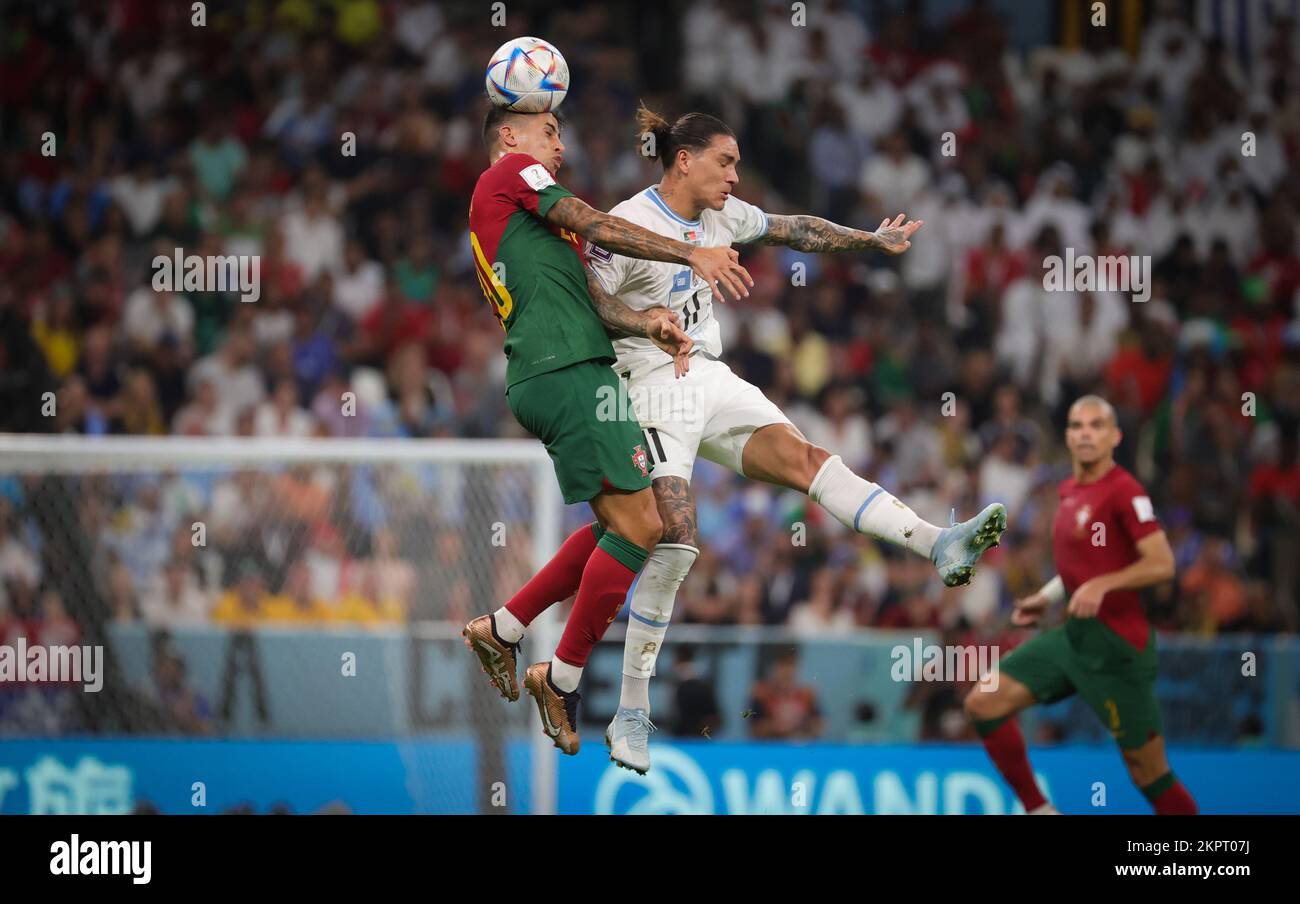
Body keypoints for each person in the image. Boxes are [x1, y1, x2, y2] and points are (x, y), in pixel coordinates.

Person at [589, 105, 1006, 773]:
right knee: (676, 537)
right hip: (649, 380)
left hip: (709, 373)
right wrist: (645, 321)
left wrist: (868, 241)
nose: (735, 174)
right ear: (685, 159)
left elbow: (796, 230)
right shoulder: (626, 224)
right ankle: (631, 709)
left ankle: (938, 542)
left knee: (807, 459)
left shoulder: (722, 215)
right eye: (725, 162)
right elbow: (590, 303)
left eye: (738, 164)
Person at [461, 105, 753, 756]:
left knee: (627, 523)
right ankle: (560, 676)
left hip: (569, 365)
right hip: (566, 371)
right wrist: (689, 251)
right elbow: (595, 222)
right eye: (551, 132)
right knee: (647, 528)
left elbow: (593, 302)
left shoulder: (525, 219)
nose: (560, 147)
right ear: (510, 137)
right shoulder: (511, 173)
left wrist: (647, 322)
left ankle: (505, 628)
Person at [964, 395, 1196, 814]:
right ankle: (1039, 808)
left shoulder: (1125, 492)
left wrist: (1103, 586)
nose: (1085, 433)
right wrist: (1048, 597)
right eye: (1076, 426)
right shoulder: (1070, 489)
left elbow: (1162, 564)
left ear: (1114, 436)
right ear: (1068, 437)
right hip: (1073, 639)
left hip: (1117, 650)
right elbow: (1085, 564)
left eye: (1096, 425)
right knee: (985, 701)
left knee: (1149, 775)